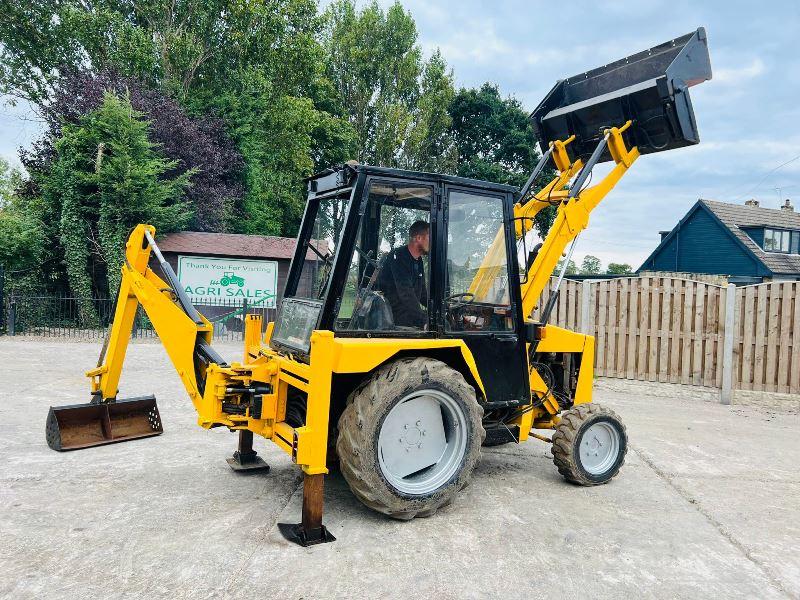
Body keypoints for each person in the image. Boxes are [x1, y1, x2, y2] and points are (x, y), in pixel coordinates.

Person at [377, 220, 429, 328]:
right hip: (393, 320)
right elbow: (406, 293)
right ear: (418, 238)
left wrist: (442, 309)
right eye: (430, 237)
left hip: (408, 316)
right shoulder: (398, 257)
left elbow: (422, 293)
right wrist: (423, 320)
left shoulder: (418, 260)